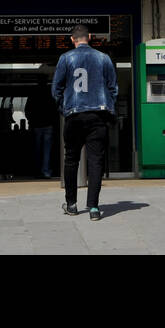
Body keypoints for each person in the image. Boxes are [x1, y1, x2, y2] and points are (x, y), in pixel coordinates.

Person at [52, 25, 117, 220]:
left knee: (71, 159)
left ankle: (71, 204)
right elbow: (113, 88)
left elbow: (56, 89)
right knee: (95, 160)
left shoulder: (65, 58)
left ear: (72, 39)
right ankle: (94, 208)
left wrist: (64, 108)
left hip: (74, 115)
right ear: (90, 37)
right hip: (97, 116)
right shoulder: (103, 58)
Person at [24, 82, 58, 178]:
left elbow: (27, 109)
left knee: (37, 149)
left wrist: (31, 121)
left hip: (36, 125)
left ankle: (37, 170)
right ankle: (46, 171)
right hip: (48, 124)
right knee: (47, 150)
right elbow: (54, 109)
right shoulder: (50, 94)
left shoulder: (33, 95)